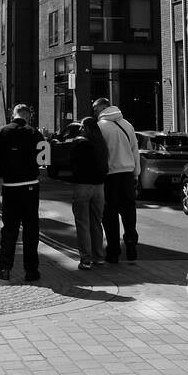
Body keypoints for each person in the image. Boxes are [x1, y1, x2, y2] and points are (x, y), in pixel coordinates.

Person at [0, 104, 44, 282]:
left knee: (10, 228)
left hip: (11, 186)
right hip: (31, 186)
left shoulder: (1, 132)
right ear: (28, 116)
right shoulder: (36, 134)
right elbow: (46, 161)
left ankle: (4, 268)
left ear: (13, 115)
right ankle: (31, 271)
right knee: (31, 229)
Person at [93, 98, 140, 264]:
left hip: (110, 175)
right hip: (127, 174)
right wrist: (136, 174)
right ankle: (131, 242)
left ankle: (113, 251)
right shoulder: (127, 124)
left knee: (110, 214)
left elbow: (98, 154)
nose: (95, 113)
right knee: (129, 211)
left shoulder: (100, 127)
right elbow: (135, 151)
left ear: (104, 108)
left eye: (96, 109)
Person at [67, 115, 108, 271]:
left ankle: (86, 259)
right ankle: (99, 257)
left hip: (82, 186)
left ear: (87, 129)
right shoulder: (101, 144)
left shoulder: (80, 144)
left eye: (82, 127)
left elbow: (72, 163)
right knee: (96, 223)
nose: (81, 130)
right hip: (99, 187)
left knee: (83, 223)